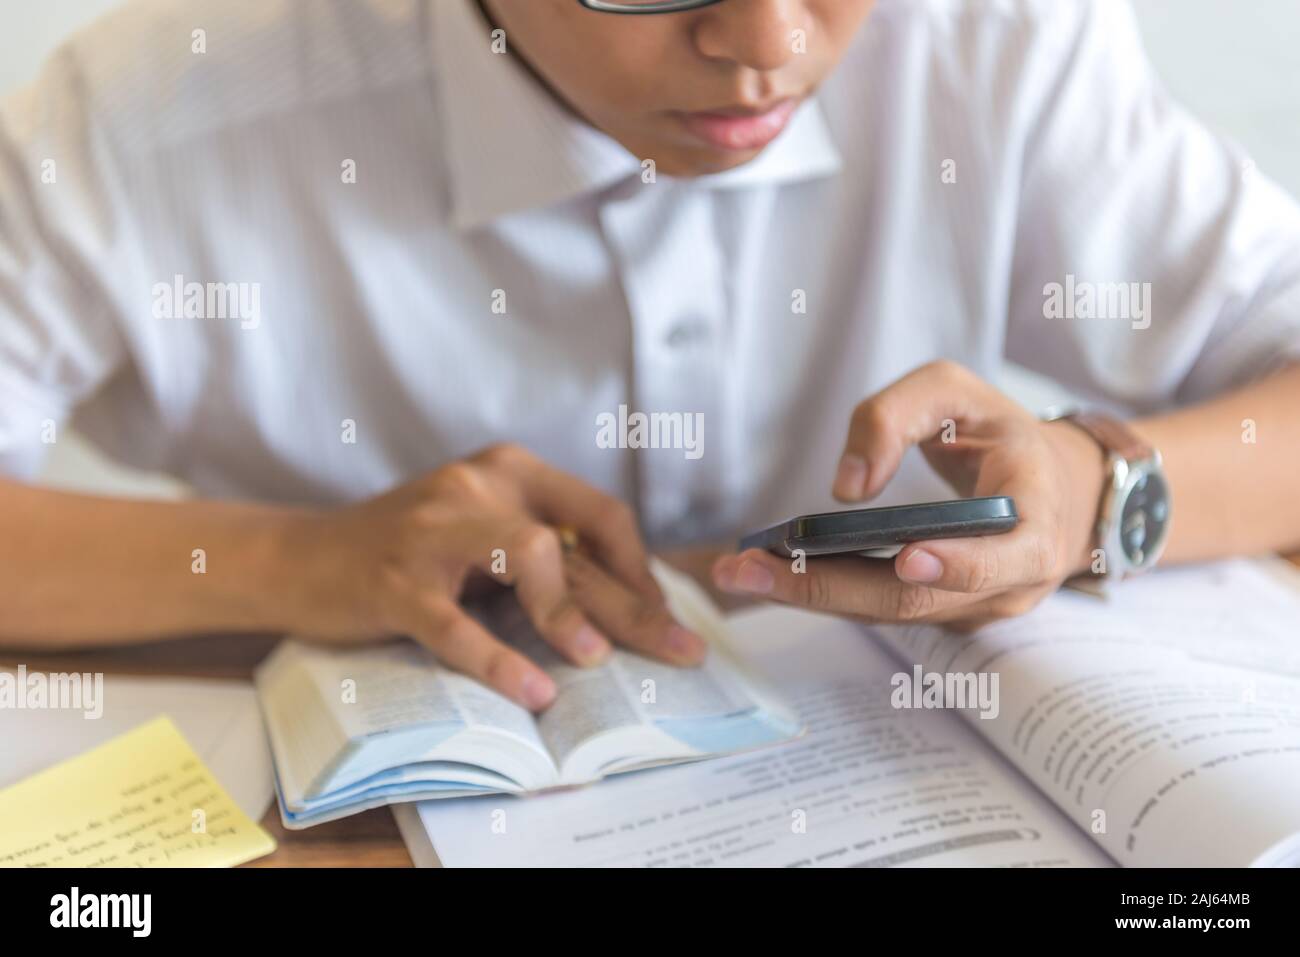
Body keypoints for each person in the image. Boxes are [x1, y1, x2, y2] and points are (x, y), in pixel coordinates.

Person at [2, 0, 1298, 712]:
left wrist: (1100, 499)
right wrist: (309, 556)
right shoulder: (156, 114)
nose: (769, 43)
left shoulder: (996, 42)